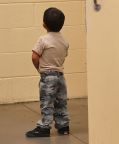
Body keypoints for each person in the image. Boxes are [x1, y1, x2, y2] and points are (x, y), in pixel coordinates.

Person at [26, 7, 70, 137]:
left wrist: (40, 69)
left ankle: (44, 127)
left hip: (48, 76)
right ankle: (63, 126)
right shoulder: (64, 41)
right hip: (60, 76)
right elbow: (64, 56)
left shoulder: (43, 40)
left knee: (47, 102)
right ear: (62, 25)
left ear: (44, 24)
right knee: (61, 102)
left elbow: (34, 56)